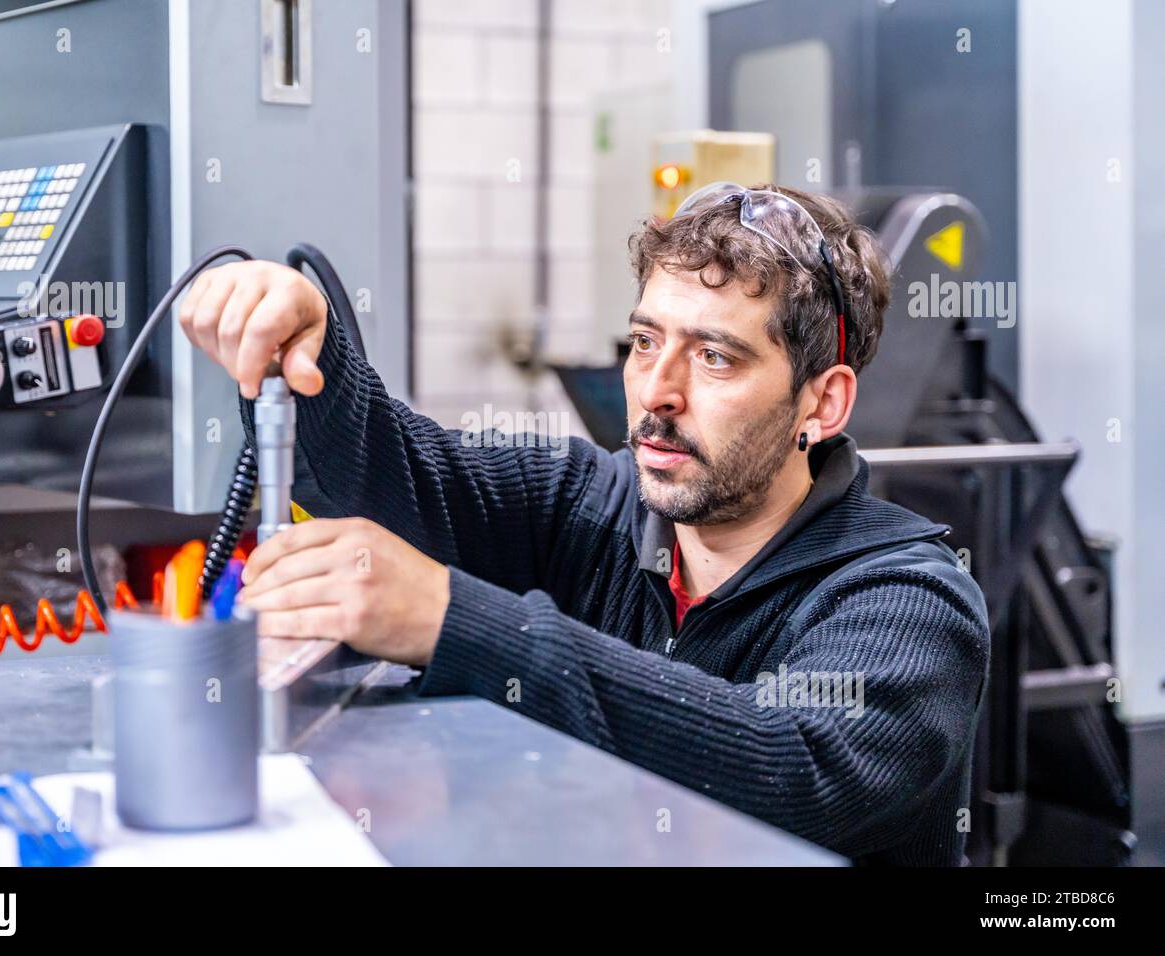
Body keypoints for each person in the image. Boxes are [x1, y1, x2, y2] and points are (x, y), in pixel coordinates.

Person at [179, 182, 990, 865]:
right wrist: (308, 348)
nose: (657, 392)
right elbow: (399, 478)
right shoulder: (589, 505)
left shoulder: (909, 599)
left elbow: (793, 768)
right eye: (645, 342)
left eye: (715, 357)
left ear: (823, 400)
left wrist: (451, 618)